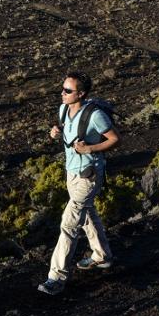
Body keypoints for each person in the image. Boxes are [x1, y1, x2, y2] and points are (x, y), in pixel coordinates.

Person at [37, 71, 120, 296]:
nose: (62, 93)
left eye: (68, 91)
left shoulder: (94, 115)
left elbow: (115, 138)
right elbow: (68, 131)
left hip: (89, 176)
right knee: (87, 214)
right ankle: (102, 256)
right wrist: (56, 133)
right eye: (63, 89)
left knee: (69, 224)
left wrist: (90, 148)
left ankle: (56, 277)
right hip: (71, 174)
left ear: (81, 93)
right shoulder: (64, 109)